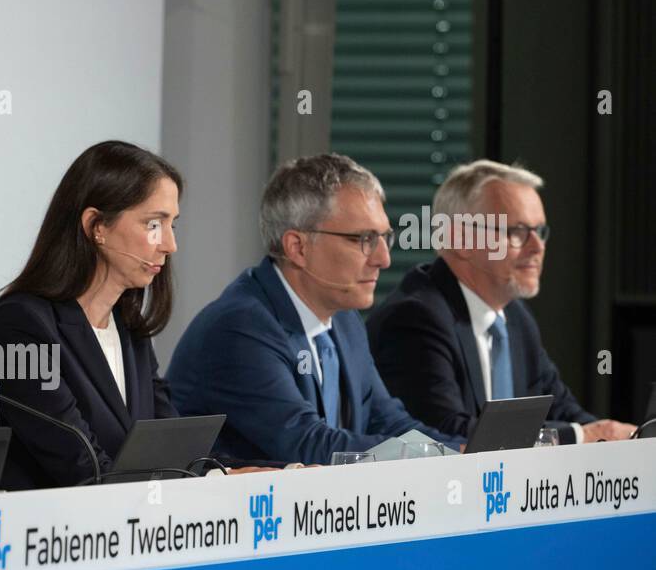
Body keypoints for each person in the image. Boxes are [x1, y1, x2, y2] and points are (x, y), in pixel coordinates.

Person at [167, 153, 460, 464]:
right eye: (364, 238)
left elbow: (389, 422)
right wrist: (436, 457)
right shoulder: (240, 327)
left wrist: (464, 453)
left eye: (385, 237)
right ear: (298, 247)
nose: (383, 259)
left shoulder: (345, 319)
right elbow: (309, 445)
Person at [367, 159, 634, 444]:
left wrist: (615, 438)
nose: (537, 247)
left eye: (540, 231)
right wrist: (580, 436)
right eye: (517, 232)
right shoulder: (415, 318)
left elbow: (563, 407)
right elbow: (444, 430)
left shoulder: (515, 316)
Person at [0, 141, 183, 489]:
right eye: (154, 224)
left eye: (173, 225)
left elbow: (172, 450)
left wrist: (225, 474)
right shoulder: (18, 325)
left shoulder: (130, 328)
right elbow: (80, 466)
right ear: (97, 226)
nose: (169, 244)